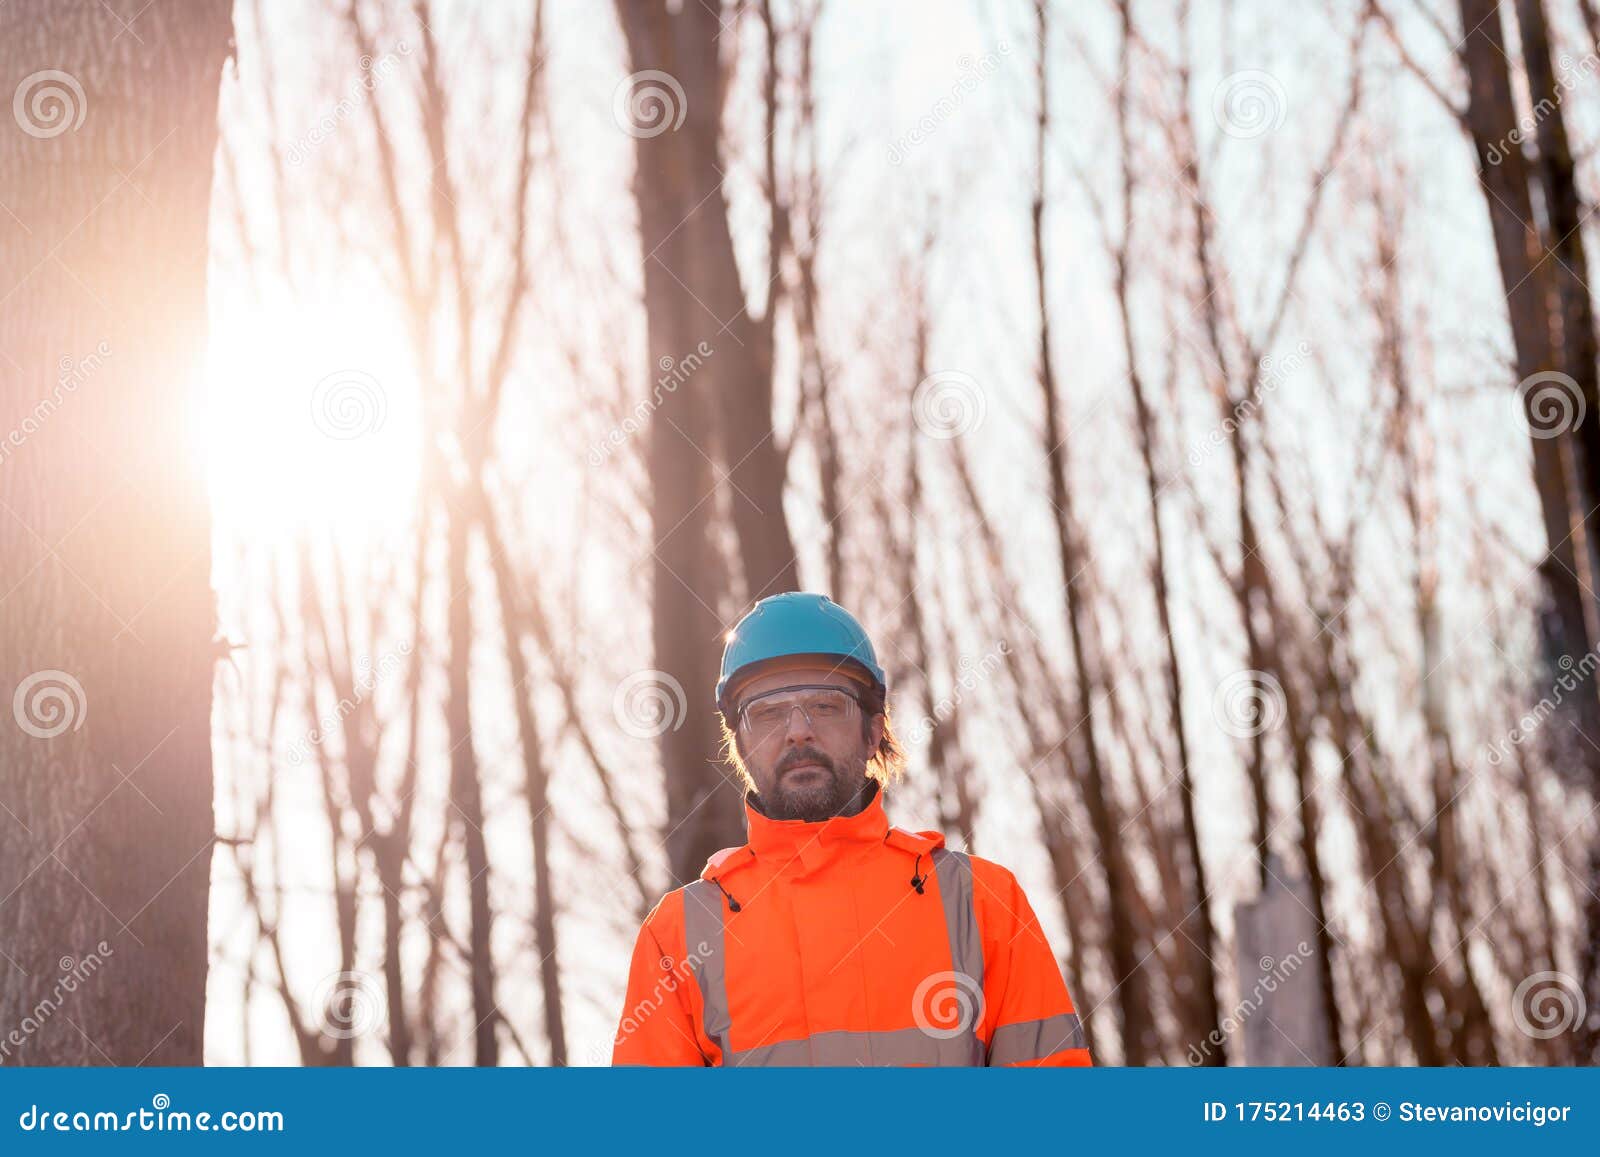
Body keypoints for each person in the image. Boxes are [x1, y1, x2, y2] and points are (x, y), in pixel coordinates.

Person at [611, 592, 1091, 1066]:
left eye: (825, 705)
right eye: (769, 712)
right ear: (740, 745)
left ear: (873, 730)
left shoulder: (983, 904)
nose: (798, 730)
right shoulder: (678, 936)